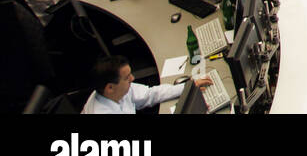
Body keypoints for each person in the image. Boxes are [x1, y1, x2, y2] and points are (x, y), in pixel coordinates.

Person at [82, 54, 211, 114]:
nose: (133, 78)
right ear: (110, 88)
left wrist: (188, 87)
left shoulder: (115, 91)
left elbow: (151, 94)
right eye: (127, 78)